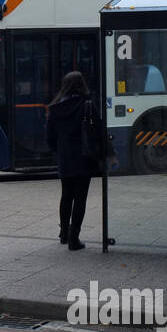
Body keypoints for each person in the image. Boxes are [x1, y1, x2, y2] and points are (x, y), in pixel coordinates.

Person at [45, 71, 102, 251]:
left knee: (66, 195)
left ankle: (63, 233)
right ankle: (74, 238)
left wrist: (61, 150)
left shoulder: (55, 108)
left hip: (65, 158)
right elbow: (98, 131)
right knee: (80, 198)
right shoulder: (87, 105)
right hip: (84, 159)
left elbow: (50, 138)